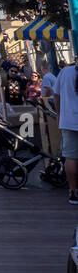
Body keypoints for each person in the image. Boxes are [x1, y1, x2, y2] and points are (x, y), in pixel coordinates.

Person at [56, 61, 78, 205]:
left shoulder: (65, 72)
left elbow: (56, 95)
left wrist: (59, 114)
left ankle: (73, 191)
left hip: (69, 120)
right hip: (69, 120)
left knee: (71, 158)